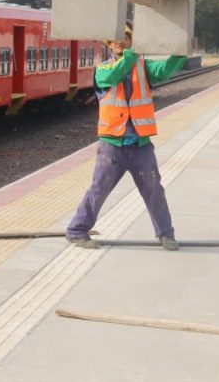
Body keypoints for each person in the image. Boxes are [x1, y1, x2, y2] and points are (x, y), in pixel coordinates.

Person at [66, 22, 187, 250]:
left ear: (133, 39)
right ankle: (77, 231)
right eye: (113, 40)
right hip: (112, 144)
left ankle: (166, 234)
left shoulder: (143, 67)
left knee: (153, 188)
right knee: (99, 188)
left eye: (125, 36)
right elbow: (115, 74)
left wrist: (180, 52)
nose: (118, 42)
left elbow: (165, 70)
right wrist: (132, 55)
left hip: (140, 143)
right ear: (108, 45)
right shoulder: (102, 70)